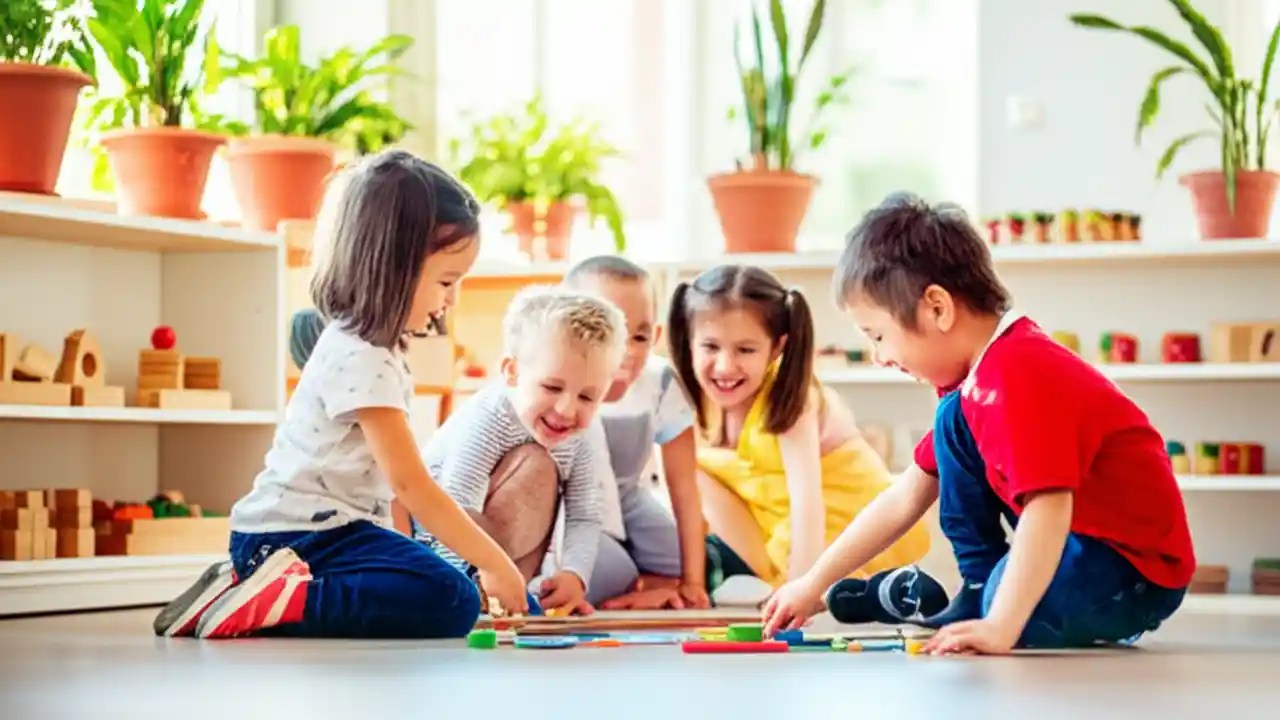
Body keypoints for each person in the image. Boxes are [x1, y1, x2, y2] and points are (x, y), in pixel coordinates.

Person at [762, 192, 1194, 654]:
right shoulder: (971, 385)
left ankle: (987, 603)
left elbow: (1050, 506)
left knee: (1002, 604)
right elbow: (906, 496)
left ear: (938, 308)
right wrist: (812, 583)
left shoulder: (1019, 371)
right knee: (953, 421)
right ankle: (978, 589)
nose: (880, 357)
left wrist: (1002, 625)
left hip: (1132, 568)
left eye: (879, 336)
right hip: (1074, 541)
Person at [152, 150, 530, 640]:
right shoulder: (364, 358)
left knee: (443, 585)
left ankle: (254, 592)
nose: (449, 303)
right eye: (446, 282)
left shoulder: (370, 348)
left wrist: (419, 560)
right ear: (394, 267)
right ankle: (275, 601)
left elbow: (389, 495)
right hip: (295, 539)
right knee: (451, 599)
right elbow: (413, 486)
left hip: (315, 536)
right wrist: (496, 563)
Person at [666, 264, 931, 601]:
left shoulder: (791, 397)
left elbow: (807, 504)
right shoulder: (692, 400)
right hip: (772, 529)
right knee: (681, 460)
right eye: (710, 347)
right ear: (689, 341)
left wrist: (802, 590)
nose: (724, 366)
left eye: (745, 350)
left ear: (777, 348)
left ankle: (781, 585)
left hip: (842, 532)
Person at [412, 284, 624, 616]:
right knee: (536, 462)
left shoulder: (581, 435)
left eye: (587, 397)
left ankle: (510, 597)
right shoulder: (489, 416)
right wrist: (458, 580)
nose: (567, 410)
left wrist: (574, 576)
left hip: (500, 553)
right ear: (512, 372)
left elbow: (584, 513)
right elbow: (456, 502)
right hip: (435, 546)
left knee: (545, 471)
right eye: (552, 387)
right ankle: (467, 587)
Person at [559, 256, 710, 610]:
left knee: (674, 549)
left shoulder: (659, 383)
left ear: (655, 336)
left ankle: (647, 592)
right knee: (603, 566)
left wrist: (693, 581)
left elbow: (684, 486)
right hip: (572, 502)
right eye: (607, 331)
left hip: (628, 497)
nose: (625, 350)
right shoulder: (557, 383)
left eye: (639, 336)